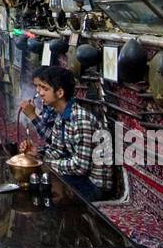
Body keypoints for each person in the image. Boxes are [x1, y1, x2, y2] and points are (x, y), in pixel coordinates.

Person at [19, 65, 115, 203]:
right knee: (34, 181)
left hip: (93, 185)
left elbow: (80, 167)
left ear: (59, 93)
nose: (40, 93)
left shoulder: (81, 120)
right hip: (78, 177)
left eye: (45, 89)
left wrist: (45, 162)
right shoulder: (61, 115)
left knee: (43, 189)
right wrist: (37, 153)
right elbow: (57, 150)